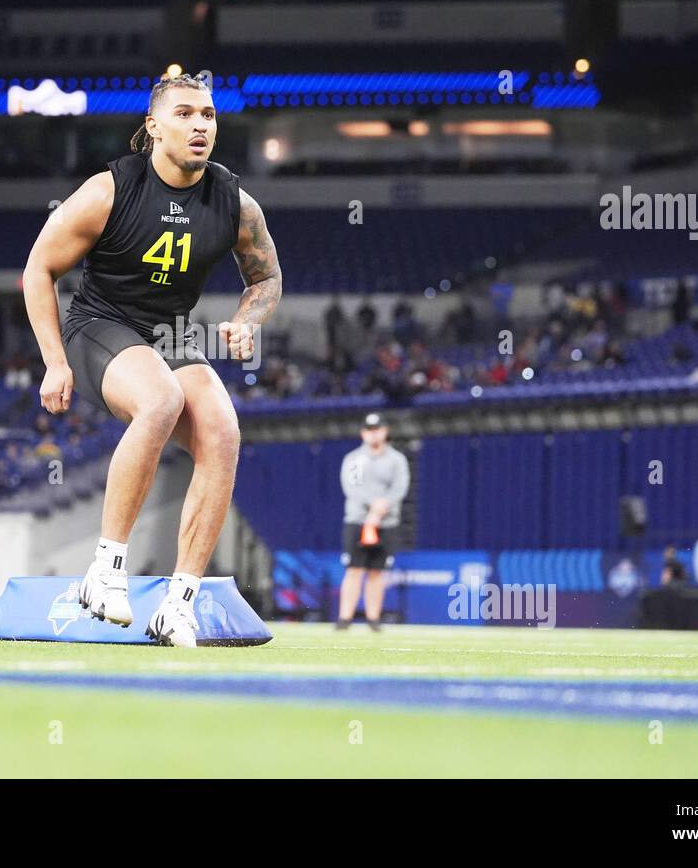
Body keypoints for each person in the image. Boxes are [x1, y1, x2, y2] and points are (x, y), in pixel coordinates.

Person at [22, 73, 282, 647]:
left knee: (222, 430)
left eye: (208, 116)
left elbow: (265, 276)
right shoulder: (108, 190)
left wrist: (246, 321)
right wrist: (54, 363)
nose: (200, 126)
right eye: (185, 114)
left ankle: (178, 605)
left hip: (168, 335)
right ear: (154, 126)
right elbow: (38, 268)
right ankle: (105, 571)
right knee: (161, 399)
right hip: (99, 328)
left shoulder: (234, 202)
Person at [336, 413, 410, 631]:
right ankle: (345, 618)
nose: (373, 433)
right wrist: (372, 506)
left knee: (378, 572)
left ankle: (373, 618)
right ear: (363, 433)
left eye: (377, 429)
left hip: (387, 522)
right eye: (369, 429)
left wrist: (381, 508)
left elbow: (400, 488)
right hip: (357, 521)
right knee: (354, 569)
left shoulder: (397, 460)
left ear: (385, 431)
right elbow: (351, 488)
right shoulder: (353, 459)